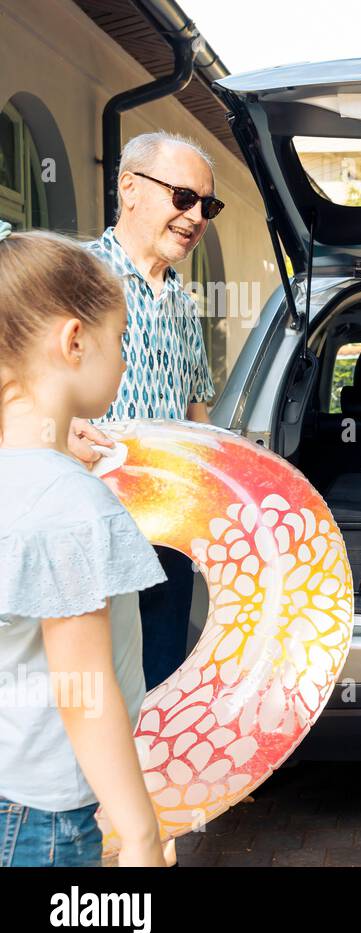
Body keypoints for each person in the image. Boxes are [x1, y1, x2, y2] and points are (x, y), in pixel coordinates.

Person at [0, 225, 166, 867]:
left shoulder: (31, 483)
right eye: (120, 338)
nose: (125, 358)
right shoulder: (71, 504)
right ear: (74, 341)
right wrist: (142, 835)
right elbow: (82, 688)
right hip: (42, 821)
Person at [71, 131, 222, 696]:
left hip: (168, 529)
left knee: (157, 678)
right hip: (87, 521)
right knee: (88, 684)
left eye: (207, 206)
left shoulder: (183, 300)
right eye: (184, 197)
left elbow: (196, 406)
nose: (197, 216)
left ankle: (147, 784)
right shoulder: (72, 275)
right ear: (129, 188)